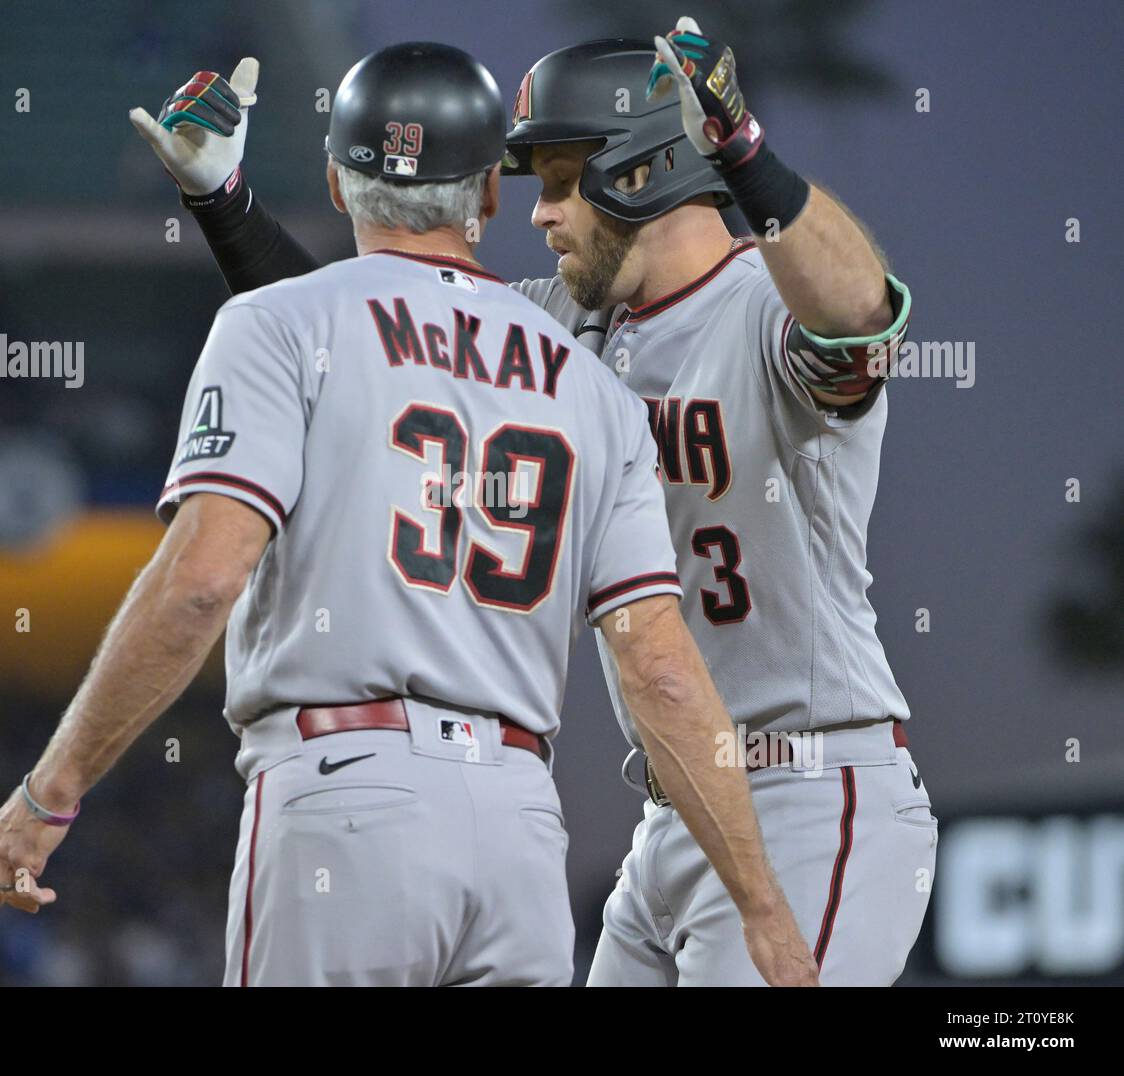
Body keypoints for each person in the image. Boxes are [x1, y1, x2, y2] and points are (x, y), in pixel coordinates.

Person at [0, 41, 817, 988]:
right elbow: (662, 669)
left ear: (338, 183)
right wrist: (762, 905)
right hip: (519, 829)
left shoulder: (276, 323)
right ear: (488, 199)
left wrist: (50, 795)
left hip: (342, 789)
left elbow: (202, 582)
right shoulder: (591, 386)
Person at [129, 15, 938, 987]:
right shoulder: (561, 326)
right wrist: (226, 204)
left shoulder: (762, 304)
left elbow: (859, 313)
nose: (540, 212)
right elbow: (358, 347)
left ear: (640, 173)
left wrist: (743, 154)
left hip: (819, 788)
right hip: (679, 810)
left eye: (560, 180)